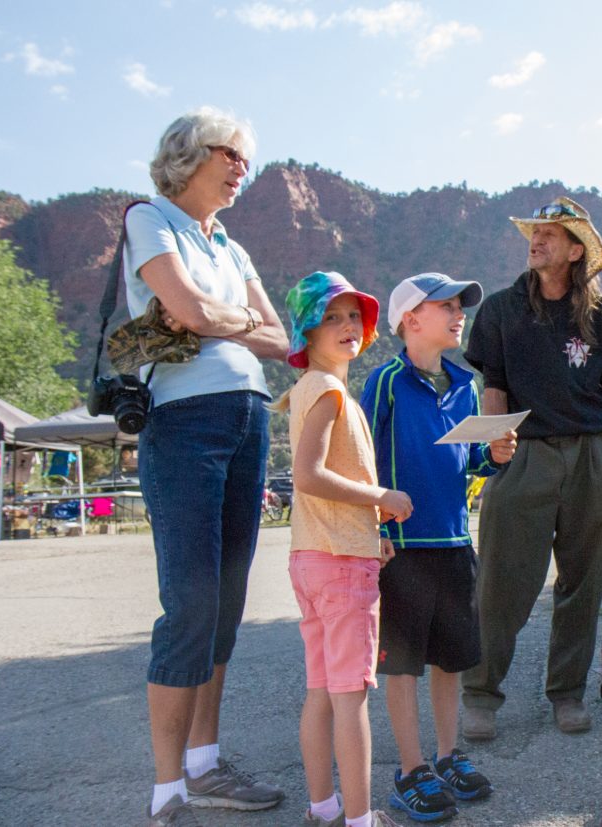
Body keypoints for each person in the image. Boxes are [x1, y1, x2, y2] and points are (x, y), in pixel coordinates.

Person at [126, 107, 289, 826]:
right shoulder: (149, 218)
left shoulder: (229, 242)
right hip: (184, 423)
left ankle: (206, 764)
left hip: (249, 415)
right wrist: (230, 319)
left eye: (246, 160)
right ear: (188, 155)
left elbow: (279, 337)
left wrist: (219, 316)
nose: (241, 170)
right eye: (231, 154)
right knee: (190, 602)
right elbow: (187, 312)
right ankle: (167, 796)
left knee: (224, 606)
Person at [460, 197, 602, 739]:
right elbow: (491, 386)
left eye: (550, 233)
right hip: (524, 452)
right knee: (500, 581)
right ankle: (480, 695)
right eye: (534, 232)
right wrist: (498, 446)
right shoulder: (500, 309)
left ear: (575, 249)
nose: (536, 240)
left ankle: (567, 694)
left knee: (583, 584)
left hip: (592, 454)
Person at [361, 273, 518, 821]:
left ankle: (447, 757)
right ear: (410, 319)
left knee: (451, 658)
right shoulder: (383, 382)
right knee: (402, 664)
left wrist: (494, 455)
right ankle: (409, 771)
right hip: (401, 546)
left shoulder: (465, 384)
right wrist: (372, 527)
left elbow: (470, 464)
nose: (459, 315)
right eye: (445, 306)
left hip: (454, 541)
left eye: (460, 307)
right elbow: (362, 462)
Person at [277, 270, 411, 827]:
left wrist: (368, 530)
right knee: (351, 696)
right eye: (330, 317)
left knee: (320, 691)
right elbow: (307, 477)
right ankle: (360, 818)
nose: (347, 325)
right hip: (339, 567)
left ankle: (324, 807)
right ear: (306, 331)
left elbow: (327, 482)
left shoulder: (308, 391)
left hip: (312, 557)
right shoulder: (331, 393)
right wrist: (383, 496)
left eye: (353, 315)